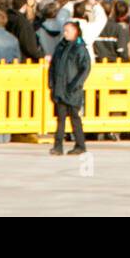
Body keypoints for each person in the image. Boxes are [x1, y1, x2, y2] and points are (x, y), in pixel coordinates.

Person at [48, 20, 90, 157]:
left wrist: (75, 85)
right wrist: (52, 84)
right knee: (60, 119)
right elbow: (53, 66)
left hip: (72, 90)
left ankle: (80, 145)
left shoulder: (80, 48)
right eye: (64, 31)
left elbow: (85, 69)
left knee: (74, 118)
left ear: (75, 32)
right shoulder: (60, 47)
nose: (65, 33)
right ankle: (58, 146)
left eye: (68, 31)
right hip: (60, 88)